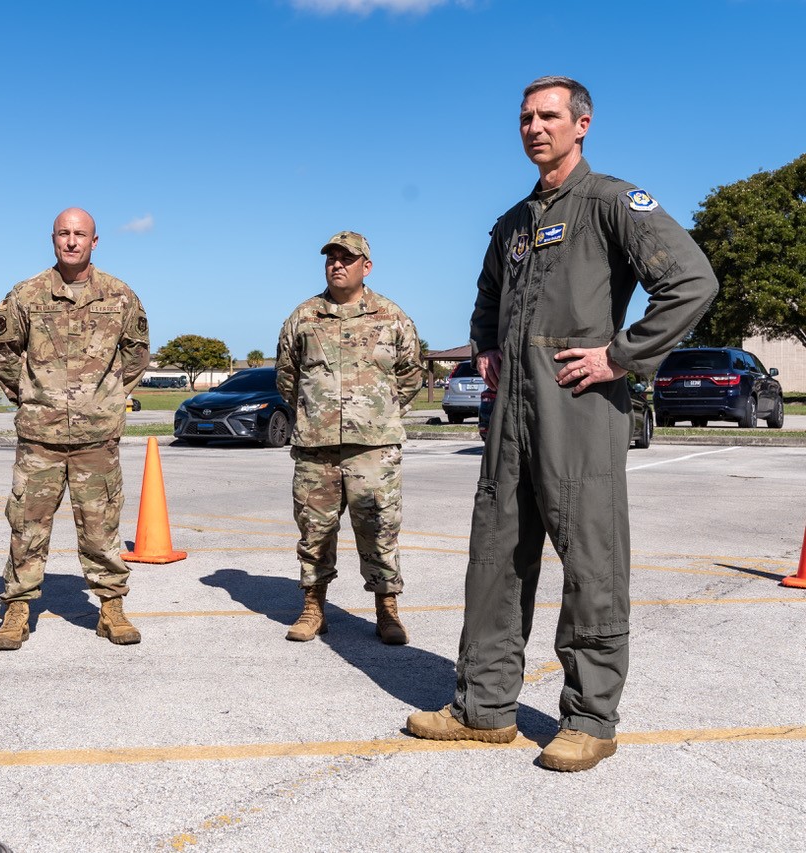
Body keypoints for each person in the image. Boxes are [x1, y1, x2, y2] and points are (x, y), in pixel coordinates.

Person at [406, 77, 718, 771]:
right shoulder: (515, 222)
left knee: (591, 561)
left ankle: (590, 717)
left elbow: (692, 281)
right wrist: (487, 345)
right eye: (525, 117)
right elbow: (488, 297)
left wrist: (622, 356)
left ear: (583, 124)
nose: (534, 127)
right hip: (510, 414)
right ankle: (484, 706)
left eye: (549, 116)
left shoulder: (612, 202)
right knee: (494, 556)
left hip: (578, 407)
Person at [0, 208, 150, 649]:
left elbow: (136, 355)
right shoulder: (26, 295)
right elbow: (2, 353)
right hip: (39, 436)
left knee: (102, 527)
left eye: (81, 234)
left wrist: (107, 399)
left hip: (97, 438)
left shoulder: (120, 296)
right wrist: (30, 396)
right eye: (64, 233)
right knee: (27, 524)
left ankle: (111, 607)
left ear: (95, 242)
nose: (72, 241)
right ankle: (18, 608)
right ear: (53, 239)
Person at [275, 231, 424, 645]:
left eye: (346, 258)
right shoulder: (304, 317)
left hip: (374, 447)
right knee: (314, 530)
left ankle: (386, 609)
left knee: (379, 528)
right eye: (331, 258)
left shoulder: (391, 316)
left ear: (366, 266)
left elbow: (411, 374)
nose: (337, 264)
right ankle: (312, 607)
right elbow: (287, 376)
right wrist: (314, 413)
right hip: (316, 447)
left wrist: (381, 413)